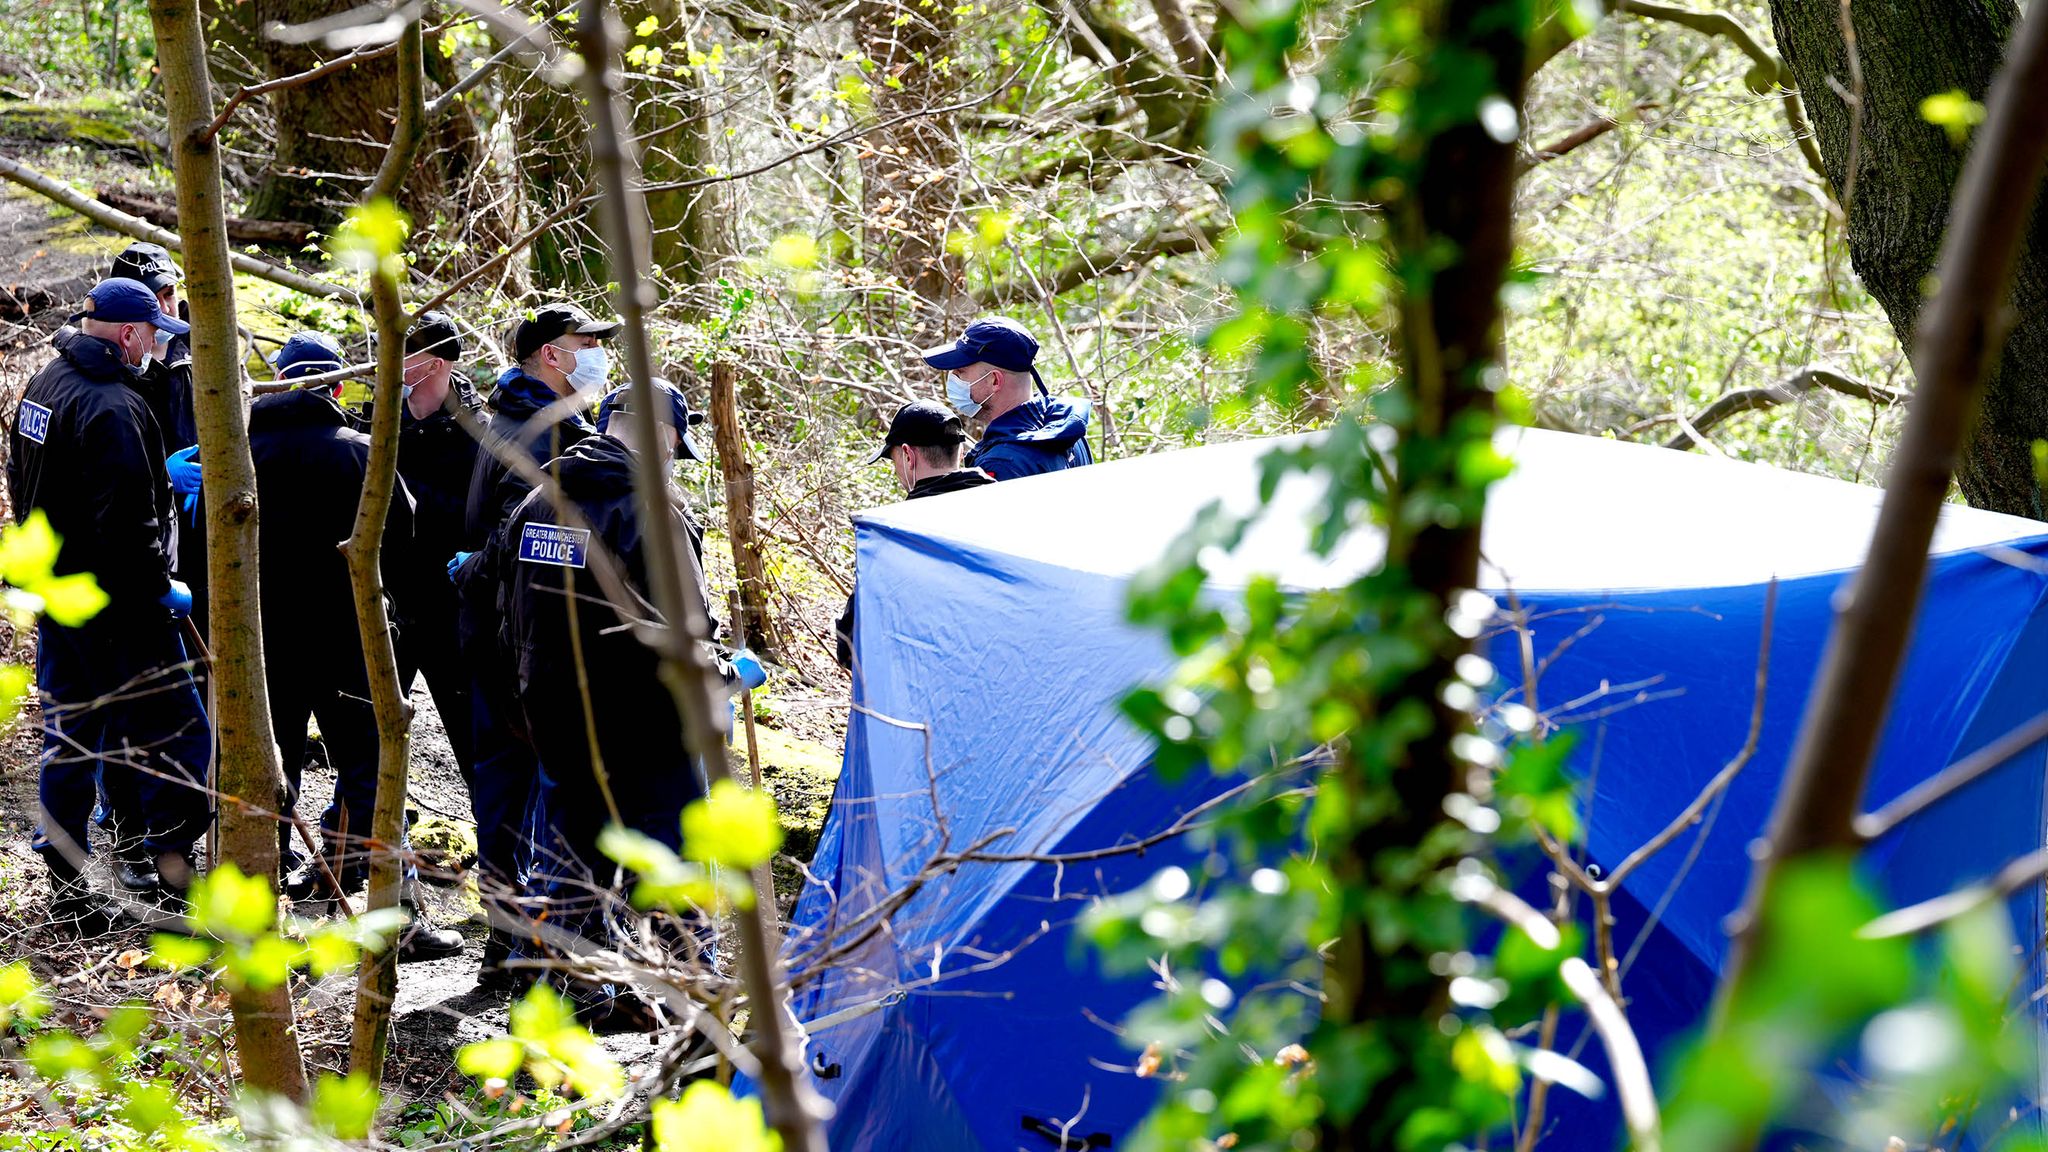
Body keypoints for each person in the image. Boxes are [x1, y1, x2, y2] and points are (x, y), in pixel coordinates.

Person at [496, 378, 722, 1022]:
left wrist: (526, 700)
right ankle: (693, 1007)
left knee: (570, 859)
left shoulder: (540, 499)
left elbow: (504, 610)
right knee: (672, 859)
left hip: (559, 719)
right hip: (648, 726)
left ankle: (565, 1002)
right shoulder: (654, 510)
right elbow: (688, 627)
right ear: (663, 436)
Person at [249, 332, 463, 961]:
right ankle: (391, 920)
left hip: (261, 651)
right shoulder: (362, 456)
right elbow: (403, 548)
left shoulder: (236, 457)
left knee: (265, 774)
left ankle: (258, 923)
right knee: (373, 772)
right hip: (351, 644)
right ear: (341, 387)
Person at [7, 278, 211, 932]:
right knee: (179, 738)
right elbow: (130, 526)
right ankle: (175, 885)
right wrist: (161, 588)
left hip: (60, 597)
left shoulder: (43, 385)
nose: (157, 344)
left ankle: (67, 885)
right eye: (153, 332)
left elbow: (22, 484)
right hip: (123, 613)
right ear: (128, 334)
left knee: (70, 737)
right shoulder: (116, 407)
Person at [452, 301, 617, 986]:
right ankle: (535, 949)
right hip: (525, 650)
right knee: (547, 799)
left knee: (506, 794)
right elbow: (527, 549)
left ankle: (510, 938)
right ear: (552, 353)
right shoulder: (547, 437)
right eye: (587, 343)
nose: (597, 355)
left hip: (501, 642)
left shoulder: (510, 420)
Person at [834, 401, 994, 670]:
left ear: (908, 456)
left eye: (894, 458)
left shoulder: (895, 534)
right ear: (961, 451)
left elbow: (850, 646)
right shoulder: (1006, 505)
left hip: (927, 693)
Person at [395, 312, 482, 778]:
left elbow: (487, 518)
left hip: (452, 610)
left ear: (439, 363)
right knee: (370, 735)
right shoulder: (379, 421)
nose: (395, 364)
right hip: (389, 604)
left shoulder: (480, 435)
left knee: (473, 742)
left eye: (409, 354)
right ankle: (354, 843)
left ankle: (499, 849)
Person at [922, 316, 1094, 480]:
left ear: (995, 381)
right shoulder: (1068, 427)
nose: (952, 378)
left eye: (960, 372)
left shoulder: (1001, 464)